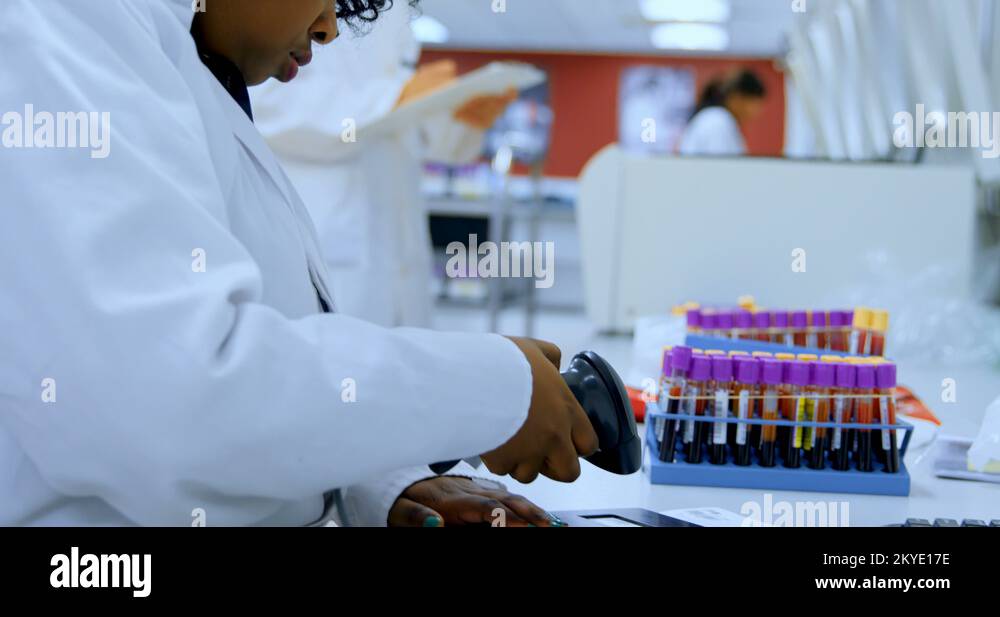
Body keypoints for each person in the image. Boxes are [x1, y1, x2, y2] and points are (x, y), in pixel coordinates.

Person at [0, 0, 597, 527]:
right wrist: (494, 386)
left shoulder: (192, 69)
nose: (331, 27)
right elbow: (170, 404)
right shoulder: (68, 21)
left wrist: (378, 480)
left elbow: (234, 384)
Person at [251, 4, 516, 327]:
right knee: (337, 354)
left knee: (401, 361)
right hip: (329, 229)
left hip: (397, 239)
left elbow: (404, 134)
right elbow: (267, 103)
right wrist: (394, 98)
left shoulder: (395, 10)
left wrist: (459, 120)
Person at [678, 69, 768, 157]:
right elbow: (719, 167)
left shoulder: (715, 118)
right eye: (754, 103)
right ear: (737, 98)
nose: (757, 111)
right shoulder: (717, 121)